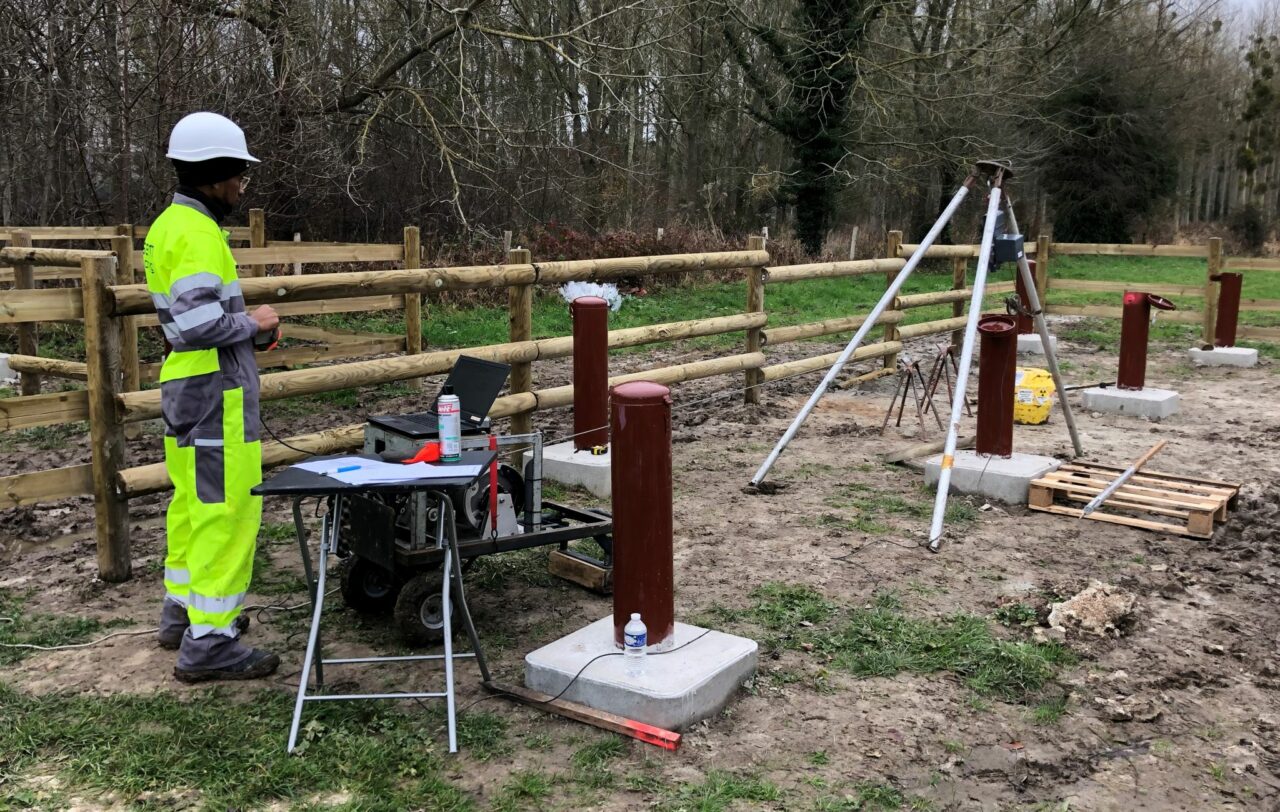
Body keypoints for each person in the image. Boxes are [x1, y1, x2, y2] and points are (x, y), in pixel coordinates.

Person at [144, 112, 281, 682]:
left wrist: (246, 332)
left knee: (191, 505)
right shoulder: (199, 234)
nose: (242, 186)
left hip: (186, 384)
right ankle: (211, 643)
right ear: (216, 173)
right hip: (215, 394)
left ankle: (182, 613)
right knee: (226, 510)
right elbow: (197, 322)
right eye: (239, 175)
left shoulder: (167, 225)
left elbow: (181, 323)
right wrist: (255, 322)